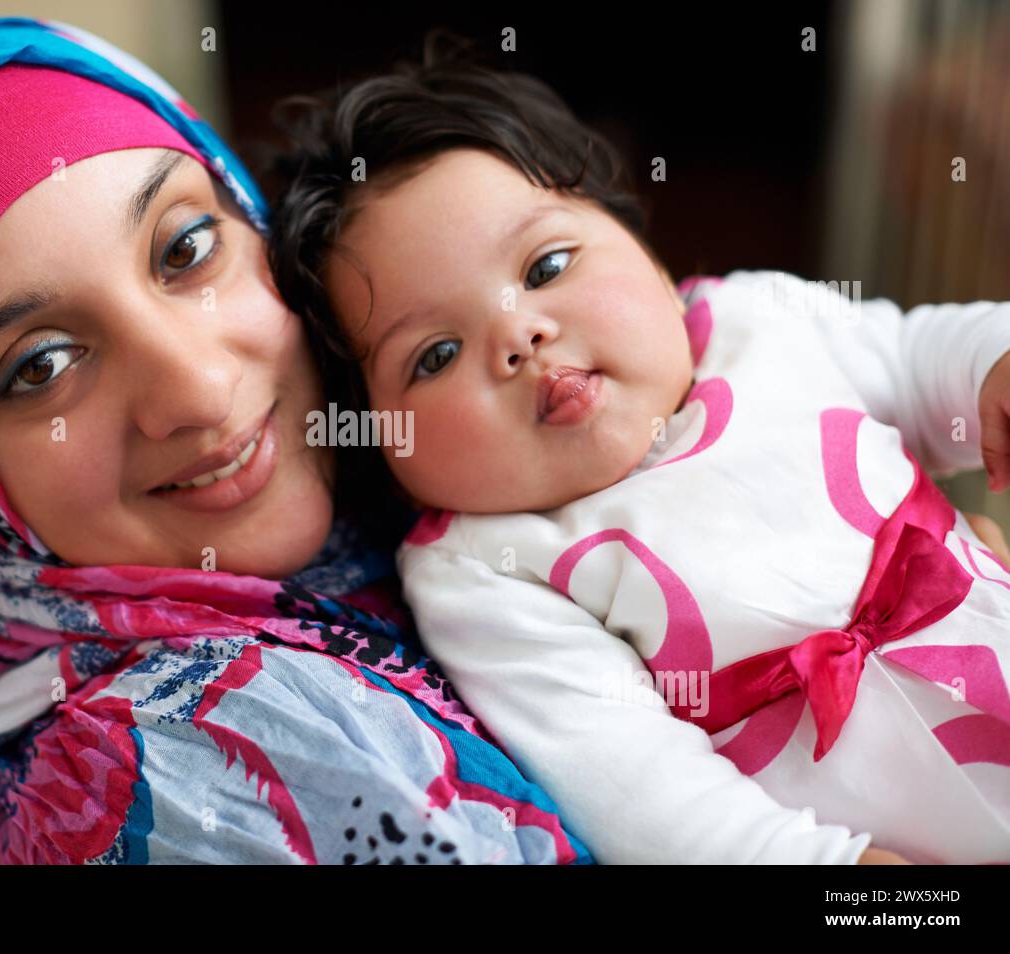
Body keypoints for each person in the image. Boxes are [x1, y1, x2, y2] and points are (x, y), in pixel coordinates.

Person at [0, 17, 586, 864]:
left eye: (186, 250)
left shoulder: (425, 476)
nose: (198, 391)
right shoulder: (185, 769)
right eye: (41, 366)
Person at [267, 49, 1010, 864]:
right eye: (436, 355)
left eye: (547, 266)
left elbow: (919, 356)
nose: (519, 334)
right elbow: (639, 789)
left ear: (648, 254)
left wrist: (991, 364)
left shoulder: (755, 322)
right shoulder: (487, 567)